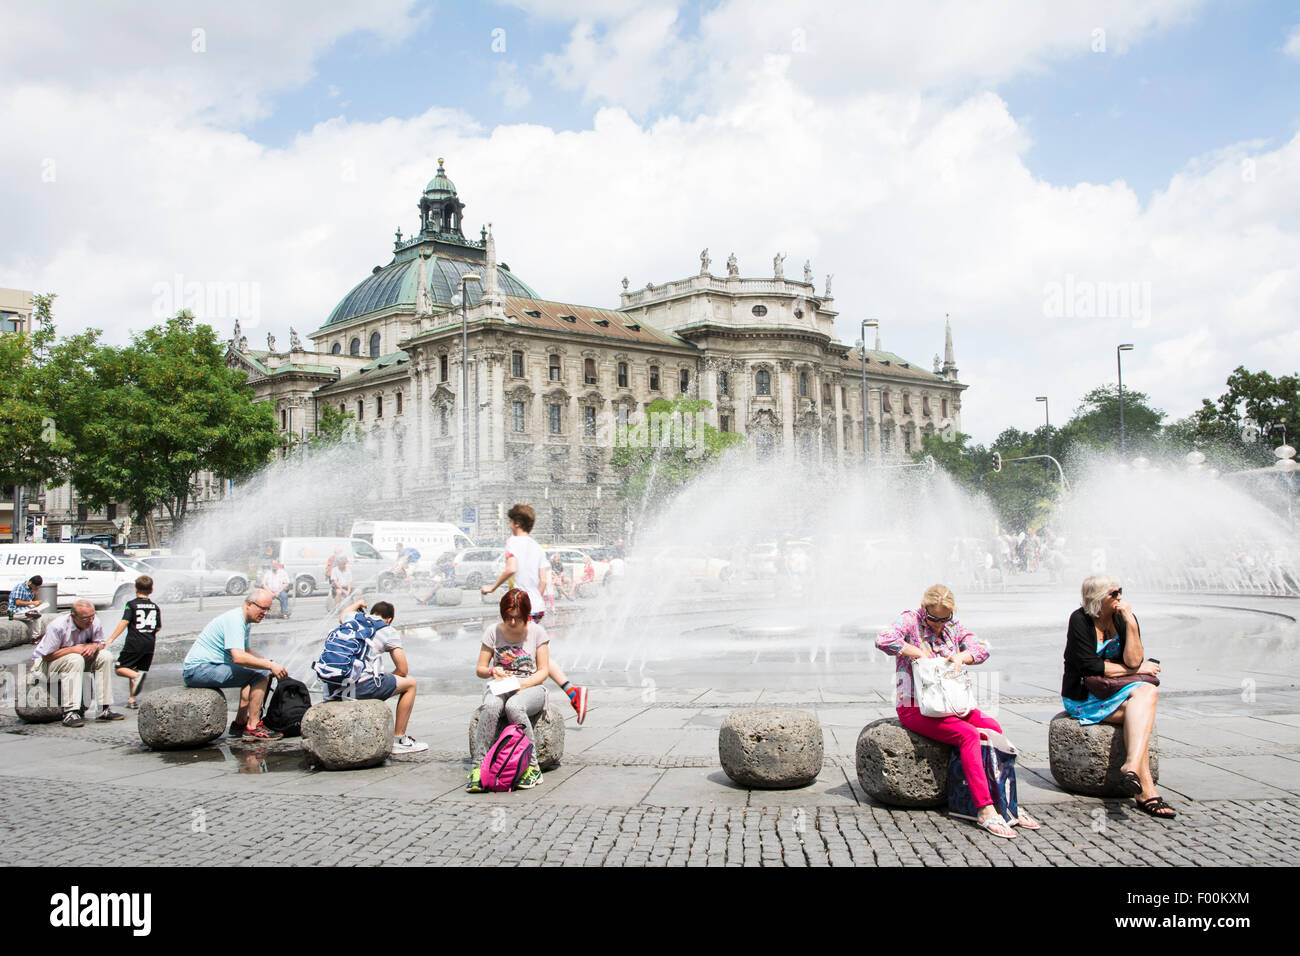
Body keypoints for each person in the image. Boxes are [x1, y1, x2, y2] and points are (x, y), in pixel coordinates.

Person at [877, 584, 1040, 839]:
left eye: (944, 618)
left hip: (951, 704)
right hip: (915, 706)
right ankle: (984, 808)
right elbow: (883, 639)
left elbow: (982, 648)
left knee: (993, 728)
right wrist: (916, 651)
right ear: (924, 608)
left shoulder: (954, 626)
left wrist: (963, 657)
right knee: (967, 735)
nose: (939, 624)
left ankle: (1006, 804)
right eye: (934, 618)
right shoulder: (910, 620)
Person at [1063, 575, 1172, 819]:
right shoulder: (1079, 620)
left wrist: (1131, 624)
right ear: (1098, 598)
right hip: (1084, 698)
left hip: (1116, 692)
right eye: (1114, 593)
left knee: (1148, 692)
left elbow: (1133, 659)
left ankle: (1132, 766)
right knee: (1140, 718)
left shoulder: (1123, 619)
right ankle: (1147, 791)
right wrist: (1138, 670)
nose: (1120, 597)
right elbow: (1090, 666)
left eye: (1120, 591)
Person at [481, 504, 588, 723]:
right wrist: (533, 600)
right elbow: (542, 580)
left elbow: (511, 568)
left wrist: (492, 588)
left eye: (510, 522)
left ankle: (570, 692)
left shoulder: (512, 542)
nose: (509, 526)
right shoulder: (538, 547)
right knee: (535, 652)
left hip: (522, 605)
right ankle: (569, 691)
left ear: (516, 524)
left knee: (530, 655)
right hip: (535, 604)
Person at [467, 588, 550, 792]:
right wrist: (491, 670)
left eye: (517, 618)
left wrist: (524, 684)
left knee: (514, 706)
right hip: (501, 685)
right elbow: (479, 669)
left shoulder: (537, 633)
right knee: (492, 706)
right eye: (508, 617)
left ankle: (532, 767)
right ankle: (478, 767)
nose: (512, 622)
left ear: (526, 614)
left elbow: (543, 671)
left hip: (530, 688)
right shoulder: (493, 631)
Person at [322, 598, 427, 754]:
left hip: (333, 685)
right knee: (410, 683)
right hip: (360, 688)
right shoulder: (387, 630)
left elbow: (343, 614)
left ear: (372, 613)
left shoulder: (352, 619)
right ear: (389, 619)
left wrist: (358, 603)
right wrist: (385, 677)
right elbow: (403, 669)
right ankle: (399, 739)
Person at [181, 588, 288, 740]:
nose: (265, 613)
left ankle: (240, 722)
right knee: (261, 673)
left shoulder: (244, 621)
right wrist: (268, 666)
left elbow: (247, 652)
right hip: (199, 670)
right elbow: (239, 658)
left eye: (267, 609)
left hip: (204, 668)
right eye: (262, 608)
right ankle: (253, 726)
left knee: (257, 669)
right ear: (249, 604)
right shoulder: (235, 620)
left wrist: (269, 662)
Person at [30, 600, 123, 726]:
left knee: (105, 656)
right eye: (86, 618)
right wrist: (73, 649)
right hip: (45, 666)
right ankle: (70, 712)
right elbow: (46, 656)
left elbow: (101, 644)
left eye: (92, 616)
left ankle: (104, 708)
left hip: (75, 662)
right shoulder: (58, 626)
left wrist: (94, 646)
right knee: (75, 658)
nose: (90, 621)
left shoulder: (94, 621)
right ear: (74, 616)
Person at [105, 575, 161, 708]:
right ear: (151, 590)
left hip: (134, 643)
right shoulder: (155, 607)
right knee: (137, 670)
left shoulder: (131, 605)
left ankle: (136, 677)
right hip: (149, 644)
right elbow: (158, 627)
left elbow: (124, 622)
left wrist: (111, 638)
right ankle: (132, 700)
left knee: (120, 668)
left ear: (135, 589)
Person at [8, 573, 46, 643]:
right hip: (15, 611)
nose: (36, 588)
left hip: (25, 610)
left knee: (37, 614)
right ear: (30, 583)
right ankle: (35, 637)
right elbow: (18, 602)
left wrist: (36, 595)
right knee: (36, 615)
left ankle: (35, 636)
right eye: (36, 586)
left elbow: (33, 601)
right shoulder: (20, 587)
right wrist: (32, 603)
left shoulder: (31, 589)